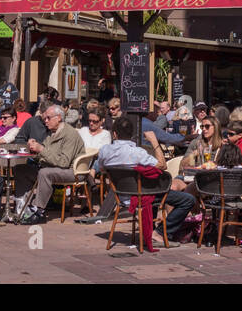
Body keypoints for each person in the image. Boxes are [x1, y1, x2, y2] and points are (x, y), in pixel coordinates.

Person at [92, 116, 196, 247]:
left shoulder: (104, 151)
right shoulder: (137, 153)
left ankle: (151, 230)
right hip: (141, 196)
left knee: (151, 186)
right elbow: (162, 165)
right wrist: (154, 142)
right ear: (131, 135)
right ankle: (160, 233)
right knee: (188, 200)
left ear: (114, 134)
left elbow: (102, 169)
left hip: (121, 196)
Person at [13, 105, 84, 224]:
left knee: (44, 173)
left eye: (48, 118)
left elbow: (64, 162)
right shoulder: (52, 133)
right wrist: (33, 148)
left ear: (59, 118)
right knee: (20, 169)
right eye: (45, 118)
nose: (45, 121)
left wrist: (41, 149)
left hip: (73, 171)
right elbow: (43, 156)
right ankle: (22, 207)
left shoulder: (70, 134)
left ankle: (39, 211)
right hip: (52, 168)